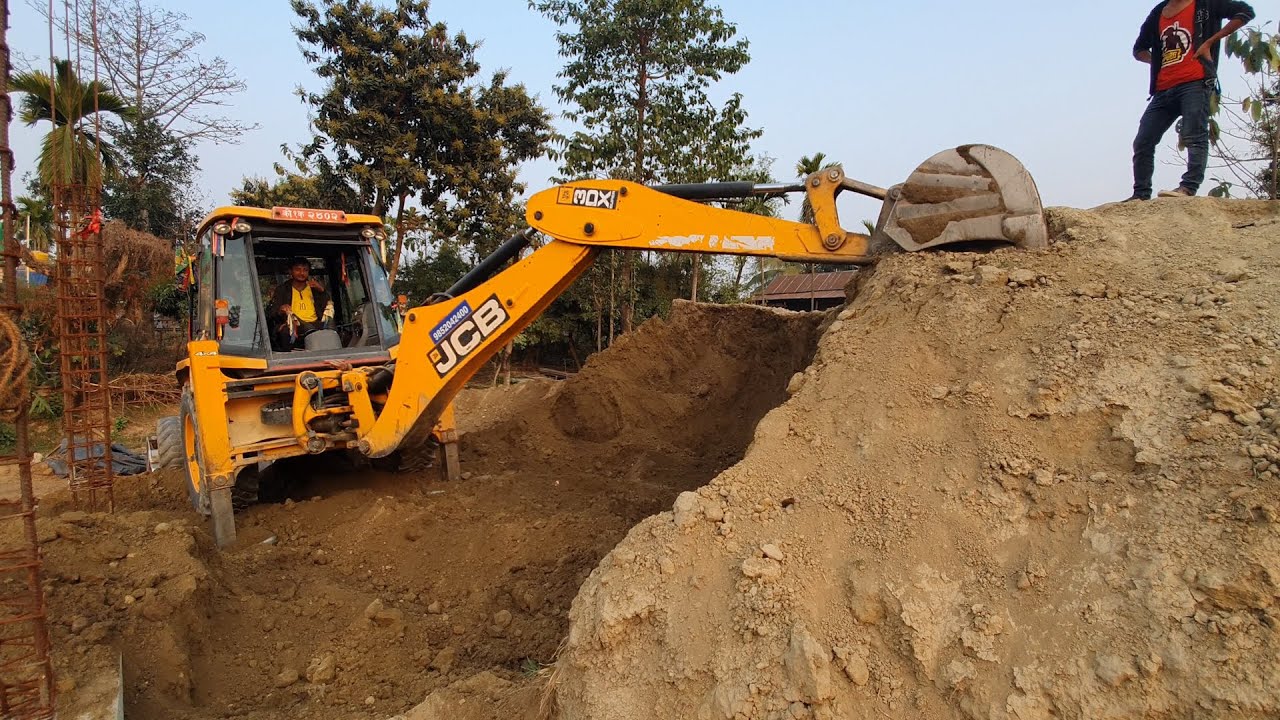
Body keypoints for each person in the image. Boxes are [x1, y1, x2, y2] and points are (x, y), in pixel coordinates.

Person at [1127, 0, 1255, 201]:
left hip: (1195, 81)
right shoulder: (1159, 12)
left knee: (1194, 135)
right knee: (1143, 140)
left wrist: (1210, 42)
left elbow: (1245, 12)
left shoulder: (1206, 4)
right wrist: (1157, 60)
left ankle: (1188, 187)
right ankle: (1140, 194)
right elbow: (1139, 49)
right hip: (1163, 89)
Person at [271, 257, 331, 350]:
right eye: (298, 269)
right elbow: (273, 313)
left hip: (316, 324)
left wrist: (322, 291)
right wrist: (281, 309)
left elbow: (327, 308)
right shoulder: (282, 289)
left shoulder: (314, 288)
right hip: (293, 325)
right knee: (285, 332)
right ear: (290, 271)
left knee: (331, 327)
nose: (302, 273)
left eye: (305, 270)